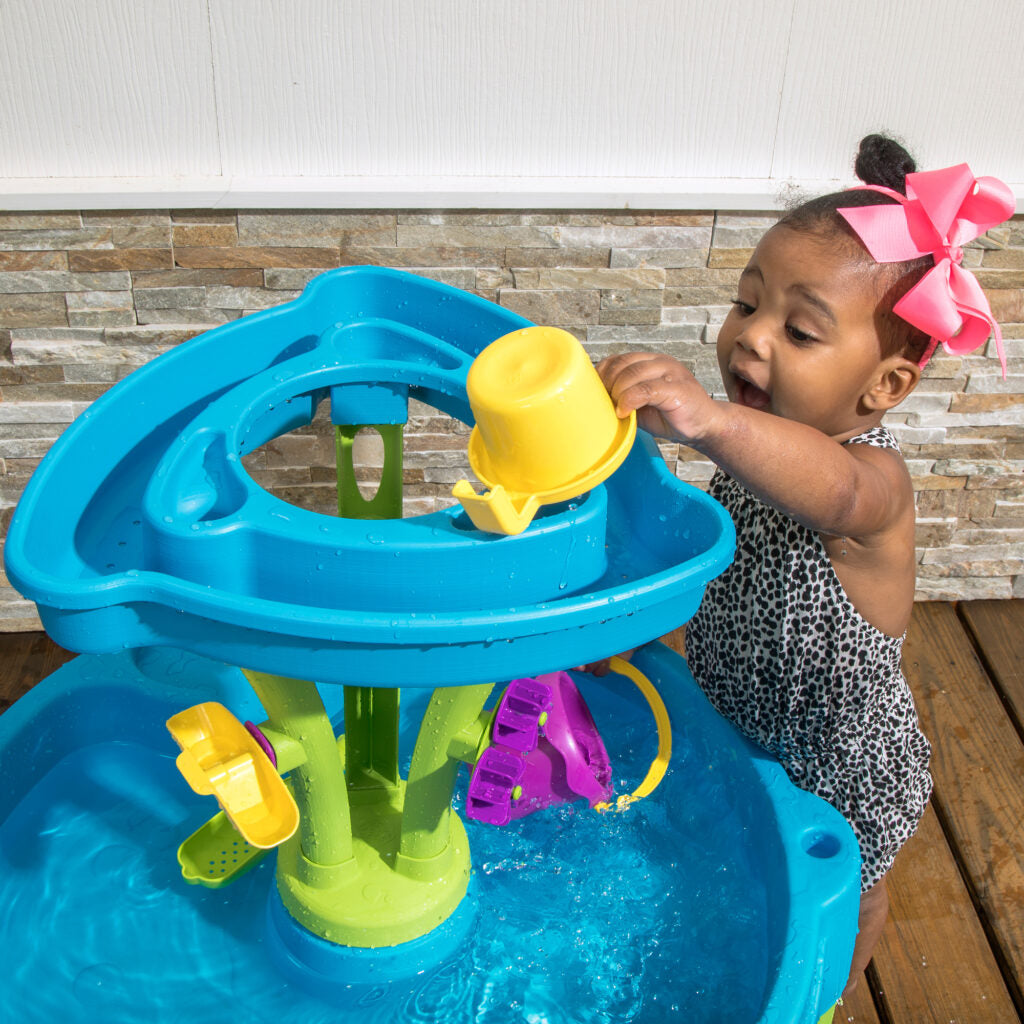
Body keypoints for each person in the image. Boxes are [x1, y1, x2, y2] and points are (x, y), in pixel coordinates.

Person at [590, 134, 1015, 1001]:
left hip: (842, 753)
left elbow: (827, 491)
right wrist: (645, 644)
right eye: (746, 304)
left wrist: (709, 420)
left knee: (845, 890)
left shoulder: (871, 487)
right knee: (740, 836)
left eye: (800, 329)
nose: (750, 338)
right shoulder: (757, 456)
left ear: (883, 387)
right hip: (739, 703)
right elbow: (725, 575)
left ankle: (832, 982)